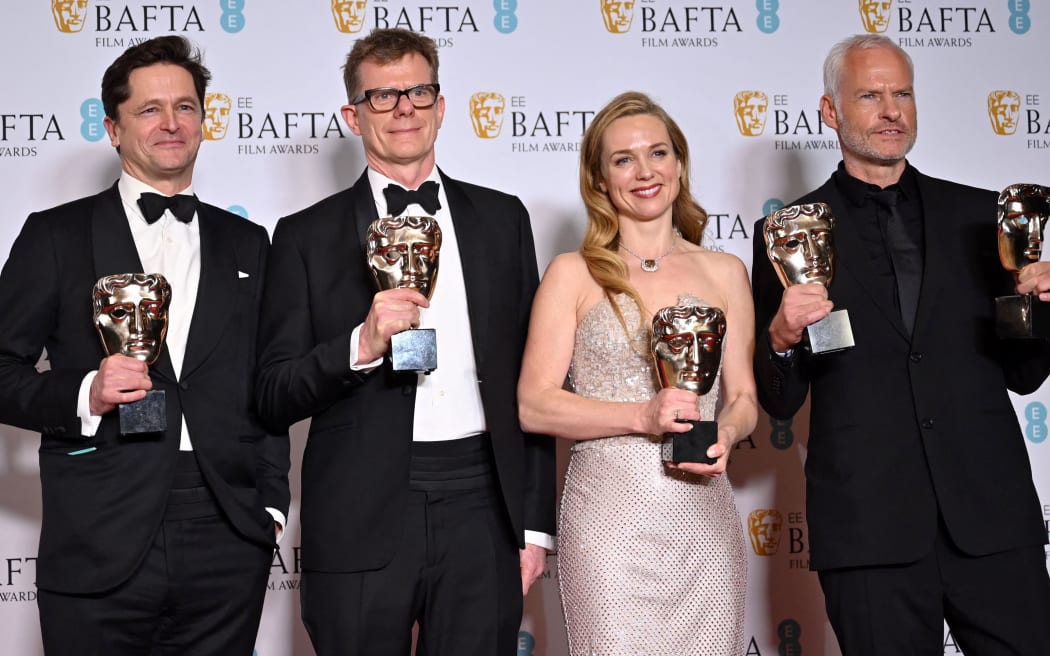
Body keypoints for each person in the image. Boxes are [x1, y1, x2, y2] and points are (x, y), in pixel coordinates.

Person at [255, 27, 556, 656]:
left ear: (442, 105)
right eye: (383, 97)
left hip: (484, 506)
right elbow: (273, 392)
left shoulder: (504, 221)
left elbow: (532, 384)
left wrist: (533, 525)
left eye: (419, 92)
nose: (404, 110)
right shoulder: (304, 236)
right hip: (358, 507)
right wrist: (358, 346)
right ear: (352, 115)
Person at [751, 34, 1050, 655]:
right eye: (870, 95)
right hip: (869, 531)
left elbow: (1024, 375)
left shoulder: (982, 218)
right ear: (830, 111)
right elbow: (780, 404)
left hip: (991, 518)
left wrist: (1041, 309)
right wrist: (780, 339)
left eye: (902, 94)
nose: (892, 111)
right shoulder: (786, 234)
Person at [0, 36, 289, 655]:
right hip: (99, 527)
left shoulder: (248, 242)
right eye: (149, 109)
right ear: (113, 127)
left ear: (204, 121)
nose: (170, 123)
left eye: (185, 107)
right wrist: (84, 392)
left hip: (226, 532)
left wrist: (270, 508)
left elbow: (266, 381)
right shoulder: (55, 236)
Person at [518, 91, 756, 655]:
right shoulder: (572, 274)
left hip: (703, 520)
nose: (645, 171)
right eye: (623, 159)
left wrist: (725, 432)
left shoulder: (725, 272)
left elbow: (744, 396)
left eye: (658, 153)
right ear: (599, 179)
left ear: (679, 163)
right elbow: (534, 405)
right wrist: (640, 416)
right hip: (607, 525)